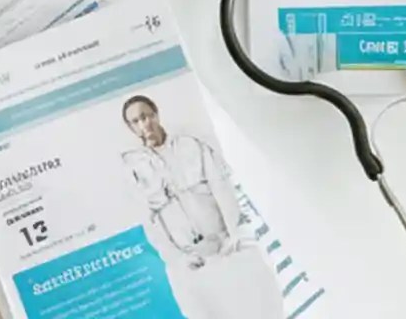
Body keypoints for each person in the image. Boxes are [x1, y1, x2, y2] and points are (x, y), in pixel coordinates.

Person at [120, 95, 284, 319]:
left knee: (256, 300)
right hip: (191, 259)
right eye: (136, 121)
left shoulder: (191, 145)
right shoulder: (133, 167)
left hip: (226, 244)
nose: (144, 124)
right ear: (131, 128)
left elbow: (222, 189)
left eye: (146, 116)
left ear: (156, 115)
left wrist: (233, 234)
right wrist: (177, 257)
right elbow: (149, 221)